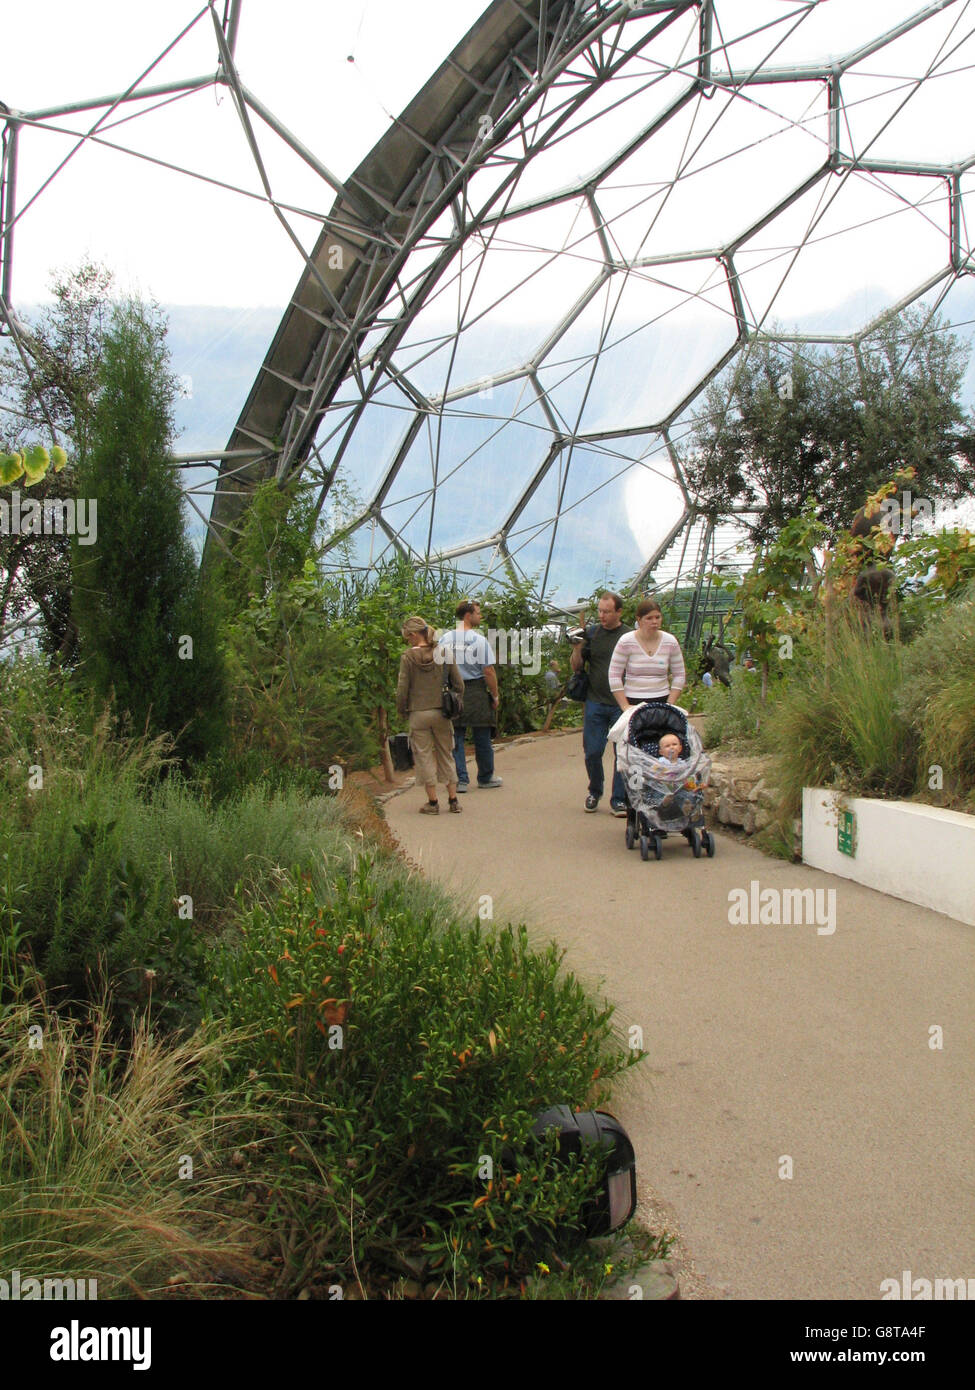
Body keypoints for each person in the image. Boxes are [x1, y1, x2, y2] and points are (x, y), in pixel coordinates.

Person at [396, 615, 465, 814]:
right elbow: (458, 684)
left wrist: (401, 710)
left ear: (413, 634)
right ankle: (453, 800)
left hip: (418, 713)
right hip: (441, 712)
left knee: (424, 756)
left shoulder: (407, 657)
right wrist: (454, 703)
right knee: (446, 754)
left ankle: (433, 803)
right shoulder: (443, 653)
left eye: (408, 636)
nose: (407, 639)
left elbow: (402, 689)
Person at [570, 591, 629, 815]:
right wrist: (577, 646)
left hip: (621, 703)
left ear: (619, 612)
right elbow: (576, 667)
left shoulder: (629, 636)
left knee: (622, 752)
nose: (602, 616)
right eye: (600, 611)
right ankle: (595, 790)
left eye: (607, 612)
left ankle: (619, 798)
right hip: (595, 701)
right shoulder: (592, 634)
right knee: (592, 751)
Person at [436, 600, 502, 790]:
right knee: (482, 735)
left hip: (454, 692)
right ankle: (485, 777)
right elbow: (488, 670)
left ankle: (460, 780)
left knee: (456, 737)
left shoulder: (445, 639)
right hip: (476, 691)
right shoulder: (479, 640)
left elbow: (439, 667)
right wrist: (495, 695)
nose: (480, 616)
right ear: (468, 615)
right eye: (478, 613)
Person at [608, 597, 686, 716]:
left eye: (657, 617)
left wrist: (670, 703)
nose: (654, 622)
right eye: (649, 618)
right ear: (639, 619)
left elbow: (679, 674)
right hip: (633, 702)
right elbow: (614, 674)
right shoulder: (626, 641)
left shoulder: (670, 641)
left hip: (662, 700)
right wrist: (625, 706)